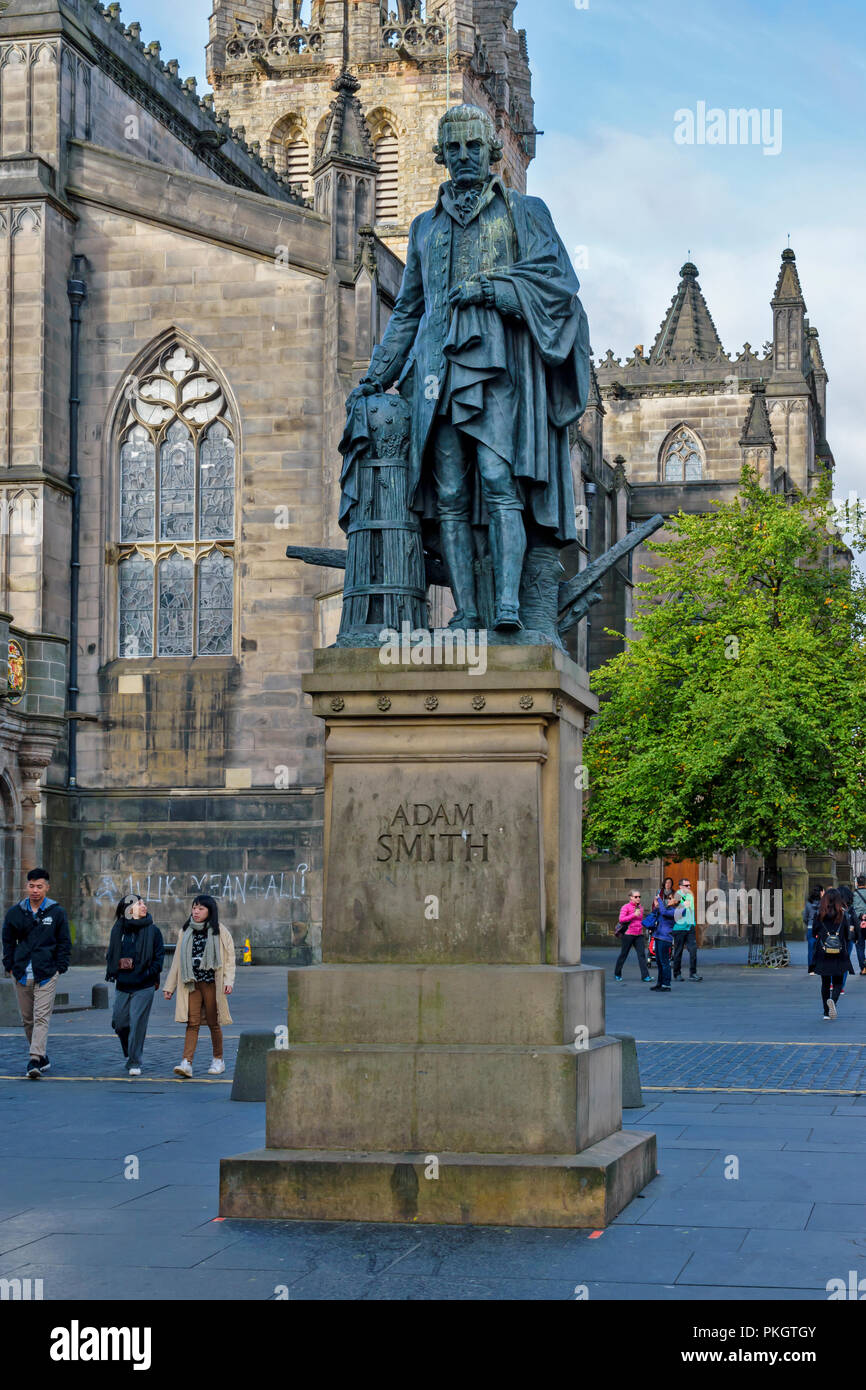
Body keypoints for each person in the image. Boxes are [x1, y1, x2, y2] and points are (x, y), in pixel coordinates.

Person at [2, 867, 71, 1079]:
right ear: (27, 886)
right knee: (27, 1019)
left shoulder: (56, 912)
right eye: (31, 886)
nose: (35, 890)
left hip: (47, 972)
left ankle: (34, 1058)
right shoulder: (16, 912)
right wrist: (10, 964)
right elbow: (7, 940)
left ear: (47, 888)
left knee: (41, 1017)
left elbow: (64, 941)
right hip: (22, 972)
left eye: (39, 886)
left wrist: (60, 966)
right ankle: (42, 1056)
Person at [163, 895, 235, 1077]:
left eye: (201, 908)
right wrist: (169, 986)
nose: (196, 911)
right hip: (191, 983)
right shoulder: (185, 931)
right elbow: (177, 962)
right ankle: (186, 1062)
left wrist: (228, 981)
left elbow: (229, 959)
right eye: (194, 907)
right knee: (192, 1022)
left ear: (210, 911)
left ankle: (218, 1060)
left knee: (214, 1022)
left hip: (212, 983)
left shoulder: (220, 931)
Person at [105, 894, 164, 1076]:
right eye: (139, 903)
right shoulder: (118, 930)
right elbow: (111, 954)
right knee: (120, 1022)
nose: (144, 906)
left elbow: (159, 957)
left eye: (143, 903)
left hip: (144, 984)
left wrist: (149, 973)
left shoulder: (153, 931)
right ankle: (129, 1050)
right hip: (123, 983)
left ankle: (134, 1061)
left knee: (137, 1023)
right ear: (129, 909)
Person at [809, 887, 849, 1020]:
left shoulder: (819, 915)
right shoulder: (843, 915)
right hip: (839, 952)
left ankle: (826, 1012)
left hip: (823, 951)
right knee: (838, 981)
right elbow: (847, 934)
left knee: (825, 982)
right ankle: (834, 1001)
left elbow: (814, 932)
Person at [613, 891, 652, 982]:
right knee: (624, 954)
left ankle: (645, 976)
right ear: (631, 897)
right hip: (628, 934)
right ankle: (617, 974)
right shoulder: (625, 907)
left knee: (642, 955)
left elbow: (640, 921)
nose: (638, 898)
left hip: (639, 935)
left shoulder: (641, 908)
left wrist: (647, 926)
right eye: (636, 896)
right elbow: (621, 919)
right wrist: (633, 915)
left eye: (639, 896)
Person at [672, 876, 703, 982]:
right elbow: (672, 911)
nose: (689, 887)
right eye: (686, 885)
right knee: (678, 951)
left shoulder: (690, 896)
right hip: (679, 928)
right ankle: (677, 974)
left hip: (690, 927)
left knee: (693, 950)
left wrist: (693, 923)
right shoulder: (676, 896)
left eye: (690, 885)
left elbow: (691, 910)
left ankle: (693, 973)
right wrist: (681, 905)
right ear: (680, 886)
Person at [649, 888, 676, 992]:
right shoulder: (666, 908)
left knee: (665, 962)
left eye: (670, 898)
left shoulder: (676, 910)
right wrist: (656, 905)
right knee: (659, 962)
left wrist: (659, 900)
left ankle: (666, 984)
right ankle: (660, 983)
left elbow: (664, 913)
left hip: (665, 938)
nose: (668, 900)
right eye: (667, 898)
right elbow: (658, 913)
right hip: (658, 936)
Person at [803, 886, 823, 970]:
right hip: (821, 928)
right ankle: (819, 966)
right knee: (821, 948)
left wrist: (809, 923)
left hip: (811, 927)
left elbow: (805, 917)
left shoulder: (808, 904)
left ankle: (811, 969)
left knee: (811, 949)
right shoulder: (823, 904)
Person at [853, 876, 866, 976]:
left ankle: (863, 968)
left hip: (858, 923)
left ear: (857, 883)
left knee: (859, 946)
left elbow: (852, 910)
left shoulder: (854, 895)